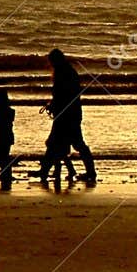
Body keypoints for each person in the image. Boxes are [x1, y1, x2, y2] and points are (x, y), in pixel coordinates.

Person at [38, 49, 96, 185]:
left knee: (56, 143)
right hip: (72, 113)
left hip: (66, 115)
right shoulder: (69, 72)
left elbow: (62, 96)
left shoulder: (62, 74)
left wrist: (54, 105)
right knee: (73, 143)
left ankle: (45, 172)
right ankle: (89, 171)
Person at [0, 89, 15, 188]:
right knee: (2, 155)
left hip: (4, 138)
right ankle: (6, 172)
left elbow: (2, 127)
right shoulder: (4, 112)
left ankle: (7, 172)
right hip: (5, 138)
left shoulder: (4, 113)